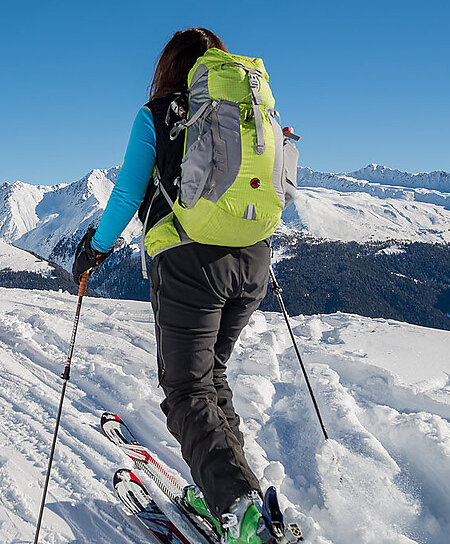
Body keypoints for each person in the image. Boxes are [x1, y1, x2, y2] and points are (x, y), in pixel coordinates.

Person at [73, 28, 293, 544]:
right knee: (211, 380)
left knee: (186, 391)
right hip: (254, 259)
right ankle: (235, 502)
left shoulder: (157, 115)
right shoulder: (244, 113)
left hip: (189, 263)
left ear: (169, 67)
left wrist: (95, 250)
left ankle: (243, 516)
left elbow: (127, 193)